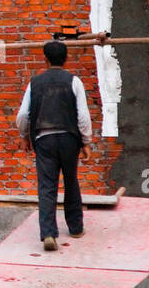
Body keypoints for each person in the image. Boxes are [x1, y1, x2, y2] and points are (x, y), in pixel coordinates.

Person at [15, 40, 93, 251]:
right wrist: (86, 141)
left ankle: (49, 233)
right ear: (66, 59)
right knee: (71, 181)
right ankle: (76, 227)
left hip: (44, 140)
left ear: (45, 59)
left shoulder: (35, 83)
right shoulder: (74, 81)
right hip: (69, 138)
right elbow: (83, 116)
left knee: (47, 186)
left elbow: (23, 114)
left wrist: (24, 135)